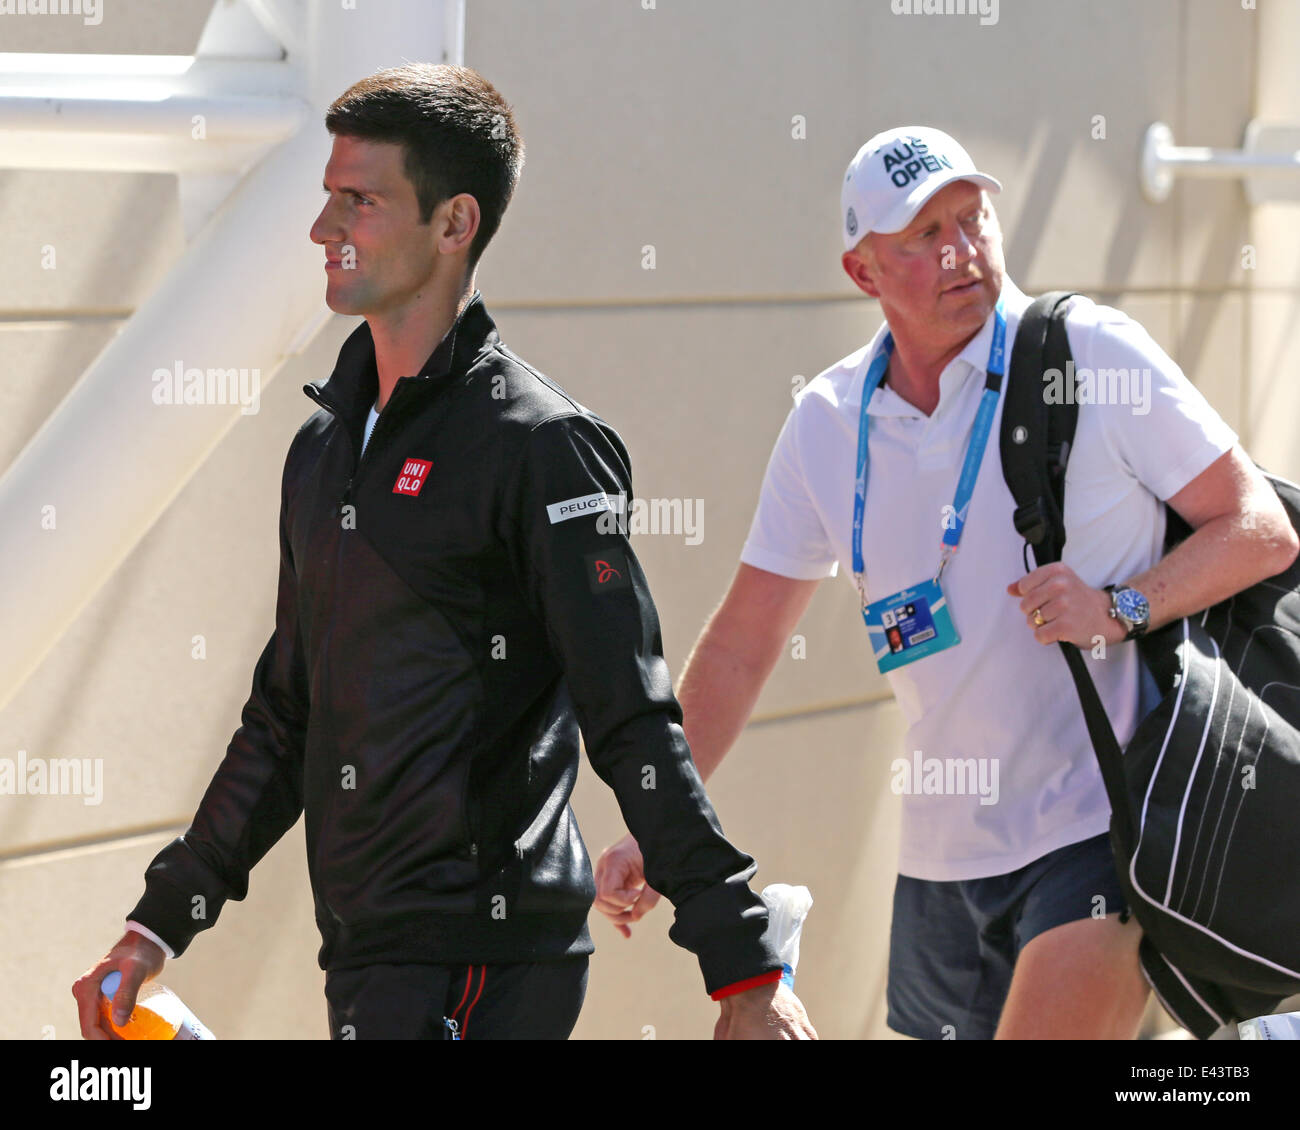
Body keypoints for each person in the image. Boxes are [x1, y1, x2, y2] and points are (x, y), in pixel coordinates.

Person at [71, 63, 815, 1041]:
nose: (322, 227)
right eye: (328, 194)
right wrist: (159, 923)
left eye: (360, 199)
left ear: (454, 222)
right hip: (371, 948)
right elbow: (287, 715)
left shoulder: (540, 443)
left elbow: (627, 709)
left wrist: (741, 965)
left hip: (485, 951)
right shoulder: (324, 448)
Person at [594, 125, 1299, 1039]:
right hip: (939, 859)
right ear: (863, 272)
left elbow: (1259, 530)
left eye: (971, 218)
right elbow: (739, 646)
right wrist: (660, 824)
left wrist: (1120, 608)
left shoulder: (1089, 352)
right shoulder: (826, 421)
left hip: (1102, 831)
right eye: (922, 234)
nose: (962, 249)